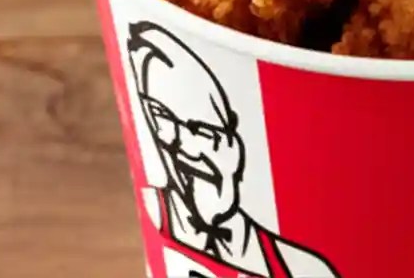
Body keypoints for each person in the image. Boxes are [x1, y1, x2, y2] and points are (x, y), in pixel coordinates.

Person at [127, 22, 338, 278]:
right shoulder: (152, 212)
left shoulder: (302, 268)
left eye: (203, 131)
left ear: (234, 146)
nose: (185, 148)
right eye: (164, 121)